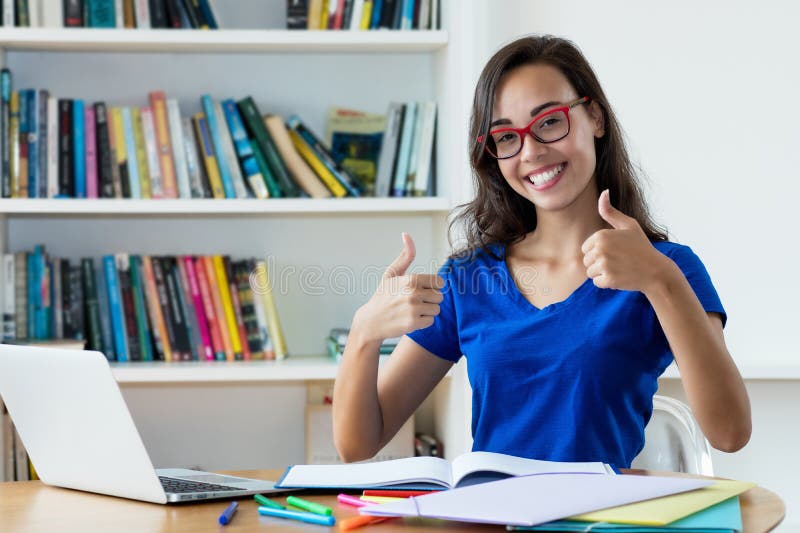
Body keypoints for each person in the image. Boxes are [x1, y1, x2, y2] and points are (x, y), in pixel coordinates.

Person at [332, 35, 751, 469]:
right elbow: (358, 444)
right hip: (493, 516)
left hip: (597, 519)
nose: (531, 151)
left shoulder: (666, 268)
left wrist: (660, 281)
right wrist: (364, 333)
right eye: (507, 136)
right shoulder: (469, 278)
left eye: (549, 122)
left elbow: (730, 432)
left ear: (595, 118)